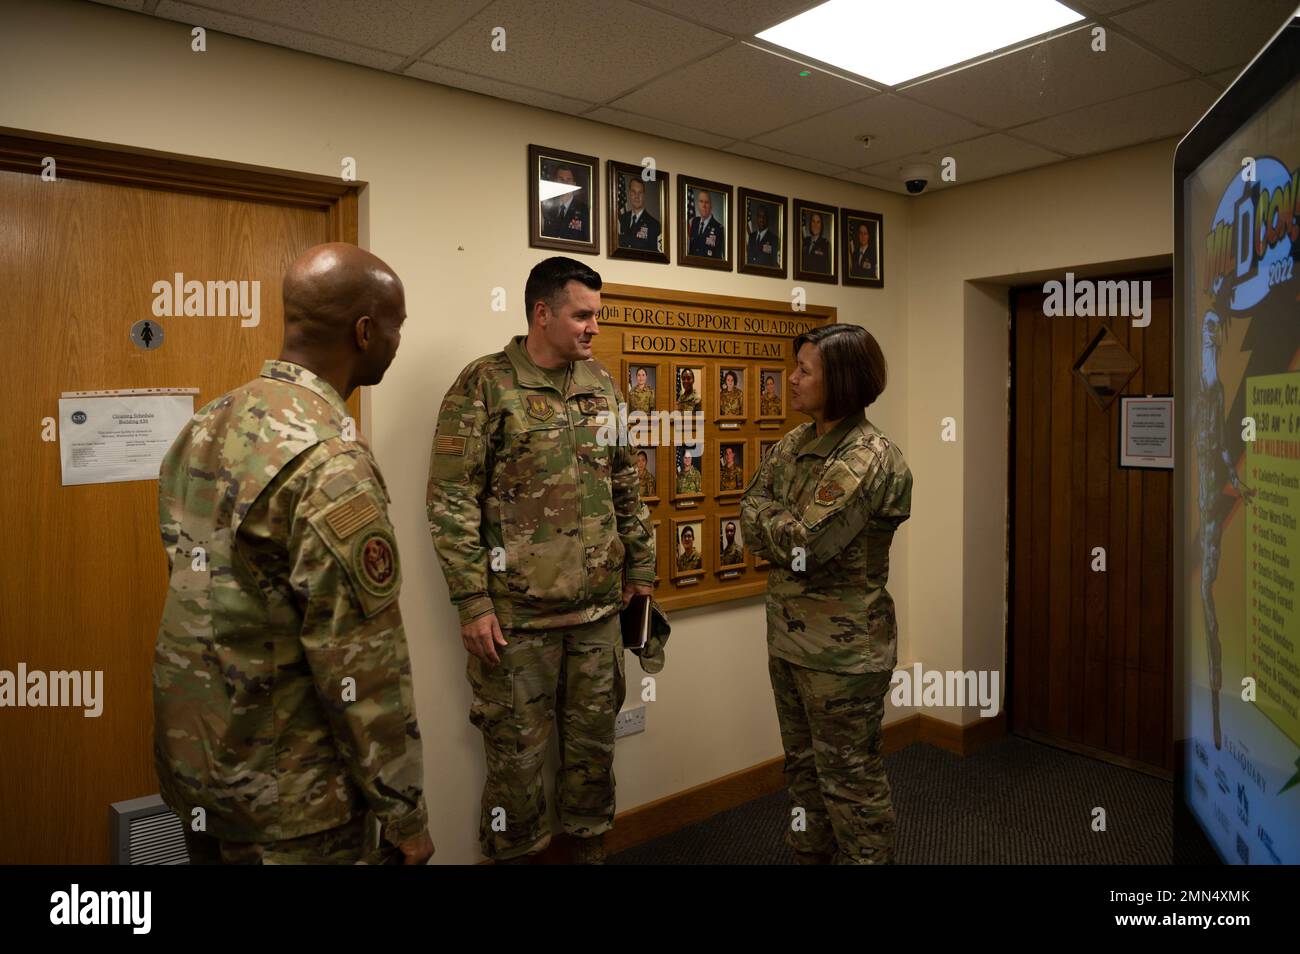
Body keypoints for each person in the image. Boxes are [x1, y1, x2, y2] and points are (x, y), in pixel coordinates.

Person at [154, 243, 432, 866]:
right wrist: (405, 811)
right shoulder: (333, 462)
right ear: (365, 331)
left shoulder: (206, 424)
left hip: (201, 764)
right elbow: (362, 663)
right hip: (294, 801)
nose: (397, 342)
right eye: (396, 327)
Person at [427, 256, 655, 865]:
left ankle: (588, 855)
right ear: (542, 313)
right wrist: (471, 602)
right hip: (517, 625)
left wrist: (640, 573)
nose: (593, 328)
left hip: (599, 616)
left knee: (592, 759)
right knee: (516, 767)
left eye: (597, 317)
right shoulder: (485, 384)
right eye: (583, 315)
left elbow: (626, 483)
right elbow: (451, 501)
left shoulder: (600, 385)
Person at [741, 323, 912, 865]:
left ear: (838, 380)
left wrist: (770, 517)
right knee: (803, 773)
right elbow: (745, 518)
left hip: (842, 656)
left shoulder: (869, 456)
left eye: (804, 371)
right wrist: (772, 518)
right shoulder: (797, 440)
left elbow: (804, 546)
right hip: (790, 642)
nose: (791, 380)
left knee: (850, 783)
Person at [542, 165, 588, 241]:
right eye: (561, 179)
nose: (564, 183)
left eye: (568, 180)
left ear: (574, 184)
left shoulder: (584, 210)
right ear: (555, 182)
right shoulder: (546, 208)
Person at [618, 178, 661, 251]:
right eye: (633, 192)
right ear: (629, 193)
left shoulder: (654, 225)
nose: (637, 196)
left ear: (644, 195)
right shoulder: (621, 220)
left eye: (640, 192)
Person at [687, 190, 725, 259]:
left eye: (706, 202)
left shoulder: (718, 228)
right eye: (701, 201)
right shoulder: (694, 222)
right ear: (698, 204)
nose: (703, 205)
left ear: (711, 205)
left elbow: (719, 257)